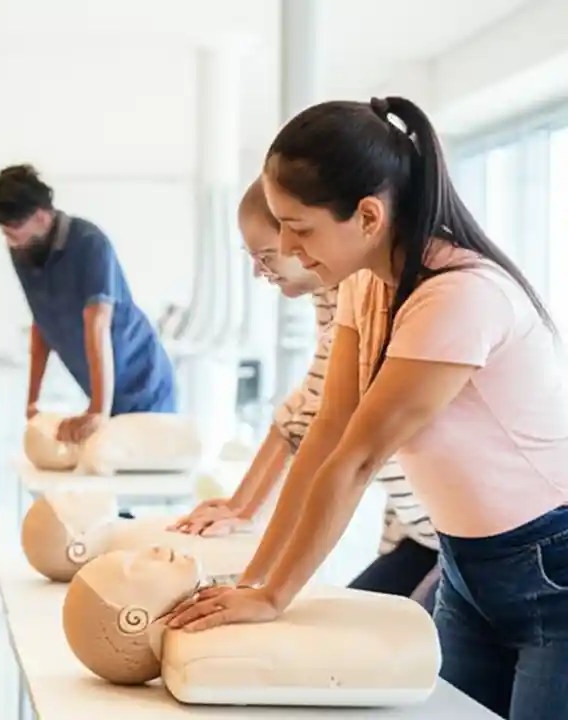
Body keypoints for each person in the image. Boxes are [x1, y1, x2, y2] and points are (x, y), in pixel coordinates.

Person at [166, 97, 568, 719]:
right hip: (467, 564)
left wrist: (274, 595)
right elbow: (328, 434)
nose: (291, 250)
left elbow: (357, 458)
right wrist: (253, 582)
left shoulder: (460, 296)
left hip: (553, 565)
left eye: (300, 228)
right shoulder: (363, 282)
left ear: (369, 215)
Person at [171, 179, 442, 612]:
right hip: (418, 530)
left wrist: (264, 589)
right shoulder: (340, 296)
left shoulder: (405, 295)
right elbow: (303, 415)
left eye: (269, 254)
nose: (265, 269)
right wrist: (244, 519)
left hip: (457, 538)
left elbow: (325, 435)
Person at [0, 164, 176, 443]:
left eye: (14, 231)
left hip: (144, 384)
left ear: (40, 217)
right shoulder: (23, 251)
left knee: (142, 475)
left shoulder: (89, 244)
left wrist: (97, 410)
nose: (10, 241)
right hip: (103, 392)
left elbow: (97, 324)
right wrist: (32, 401)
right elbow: (41, 323)